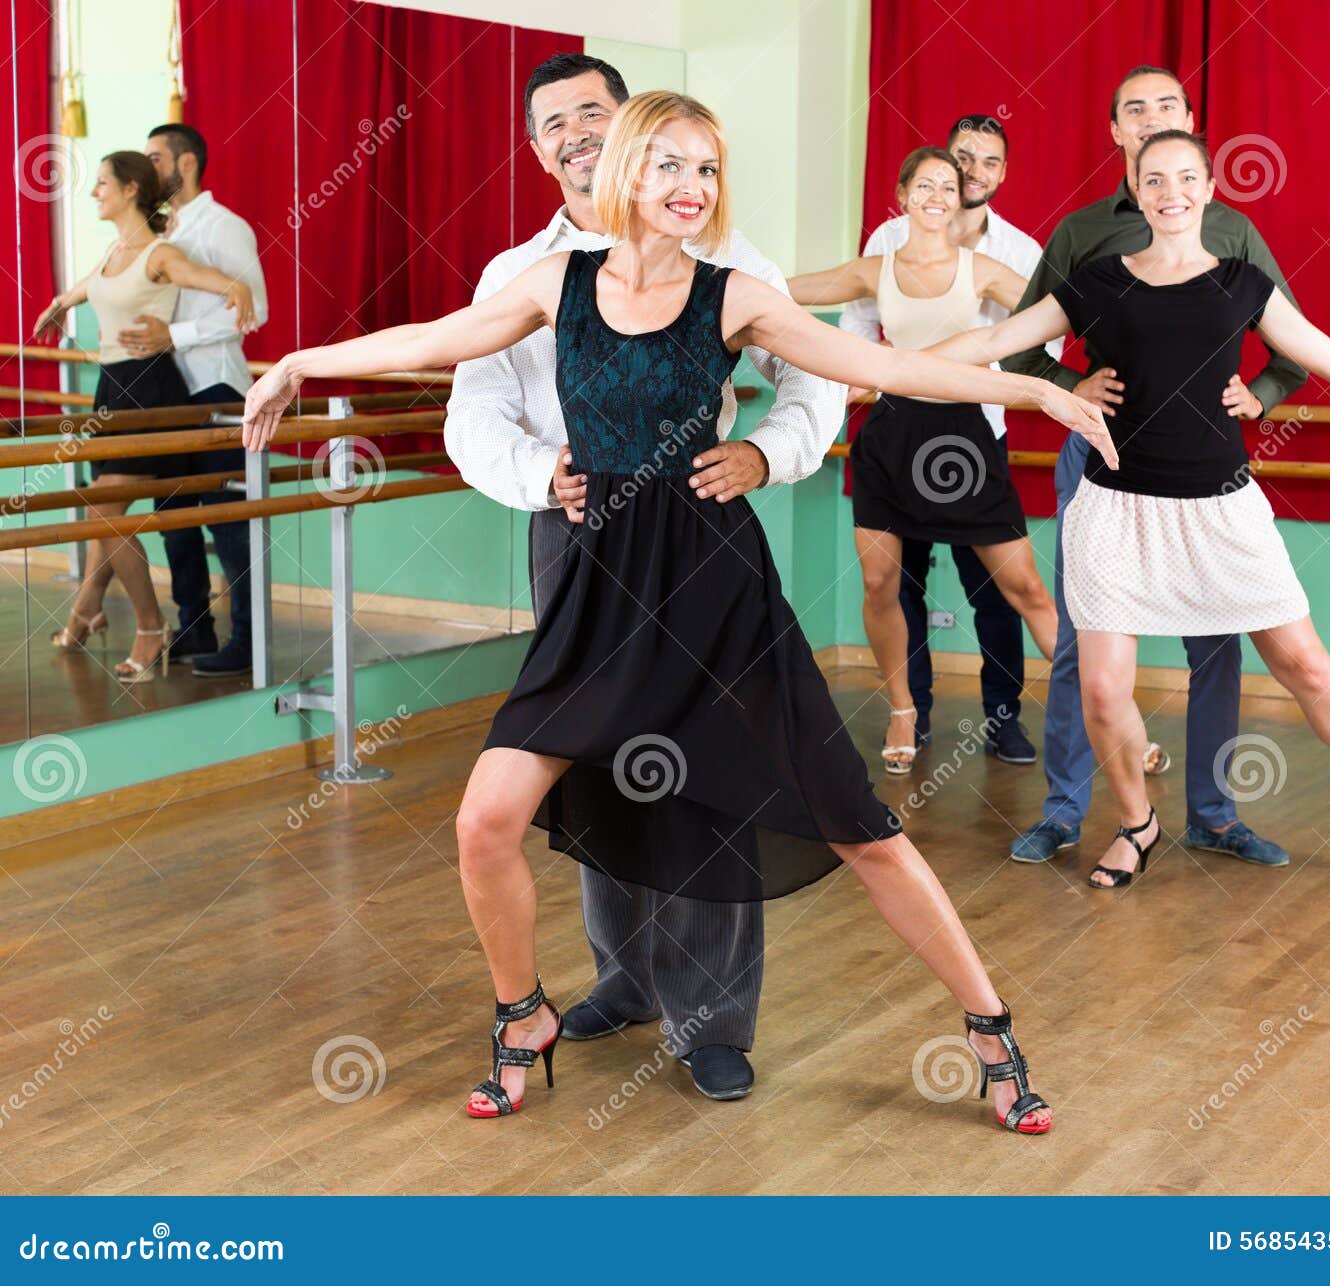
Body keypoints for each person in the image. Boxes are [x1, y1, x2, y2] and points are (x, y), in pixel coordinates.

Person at [244, 90, 1118, 1134]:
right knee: (485, 818)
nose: (688, 187)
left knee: (860, 829)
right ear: (620, 171)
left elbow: (880, 363)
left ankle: (989, 1027)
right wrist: (300, 361)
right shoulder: (552, 282)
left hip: (713, 586)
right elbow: (440, 337)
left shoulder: (736, 294)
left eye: (704, 168)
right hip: (597, 587)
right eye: (666, 164)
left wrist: (1038, 394)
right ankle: (524, 1014)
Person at [930, 129, 1330, 892]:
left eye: (1187, 178)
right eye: (1155, 179)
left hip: (1220, 509)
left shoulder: (1243, 283)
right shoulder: (1097, 278)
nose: (1171, 191)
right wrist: (875, 367)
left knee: (1306, 666)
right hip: (1116, 509)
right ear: (1137, 190)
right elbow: (993, 339)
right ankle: (1138, 824)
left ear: (1210, 190)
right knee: (1104, 687)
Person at [443, 52, 844, 1103]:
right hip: (573, 534)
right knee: (591, 764)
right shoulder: (516, 272)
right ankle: (623, 979)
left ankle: (713, 1016)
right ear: (537, 150)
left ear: (628, 125)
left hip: (694, 532)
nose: (576, 131)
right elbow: (471, 410)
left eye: (593, 111)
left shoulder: (716, 245)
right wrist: (544, 474)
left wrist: (768, 452)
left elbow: (818, 371)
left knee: (708, 763)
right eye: (555, 122)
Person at [1001, 65, 1304, 869]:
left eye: (1165, 106)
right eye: (1133, 109)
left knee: (1219, 641)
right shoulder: (1081, 233)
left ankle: (1214, 813)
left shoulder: (1231, 232)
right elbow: (1025, 346)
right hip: (1100, 460)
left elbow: (1297, 350)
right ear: (1116, 136)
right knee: (1082, 644)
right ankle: (1067, 810)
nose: (1148, 118)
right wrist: (1074, 384)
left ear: (1192, 127)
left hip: (1205, 470)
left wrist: (1261, 395)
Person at [789, 146, 1057, 775]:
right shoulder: (872, 269)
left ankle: (1102, 713)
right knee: (882, 583)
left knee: (1024, 588)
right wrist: (707, 280)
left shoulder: (984, 269)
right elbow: (785, 293)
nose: (938, 193)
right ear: (903, 195)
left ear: (960, 197)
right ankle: (904, 710)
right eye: (925, 184)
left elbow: (1057, 311)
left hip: (965, 436)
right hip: (890, 437)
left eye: (948, 184)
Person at [32, 150, 257, 684]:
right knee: (104, 512)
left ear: (131, 189)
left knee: (104, 511)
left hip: (152, 392)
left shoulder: (161, 253)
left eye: (102, 183)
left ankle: (149, 627)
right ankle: (88, 611)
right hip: (113, 390)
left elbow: (212, 279)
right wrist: (60, 303)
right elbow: (90, 287)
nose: (94, 193)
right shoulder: (114, 251)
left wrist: (238, 288)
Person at [130, 122, 269, 679]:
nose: (147, 170)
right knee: (172, 513)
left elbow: (253, 307)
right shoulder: (155, 229)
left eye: (155, 158)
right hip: (163, 389)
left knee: (229, 521)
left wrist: (175, 336)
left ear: (186, 163)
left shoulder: (225, 225)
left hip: (215, 387)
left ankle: (247, 641)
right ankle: (192, 628)